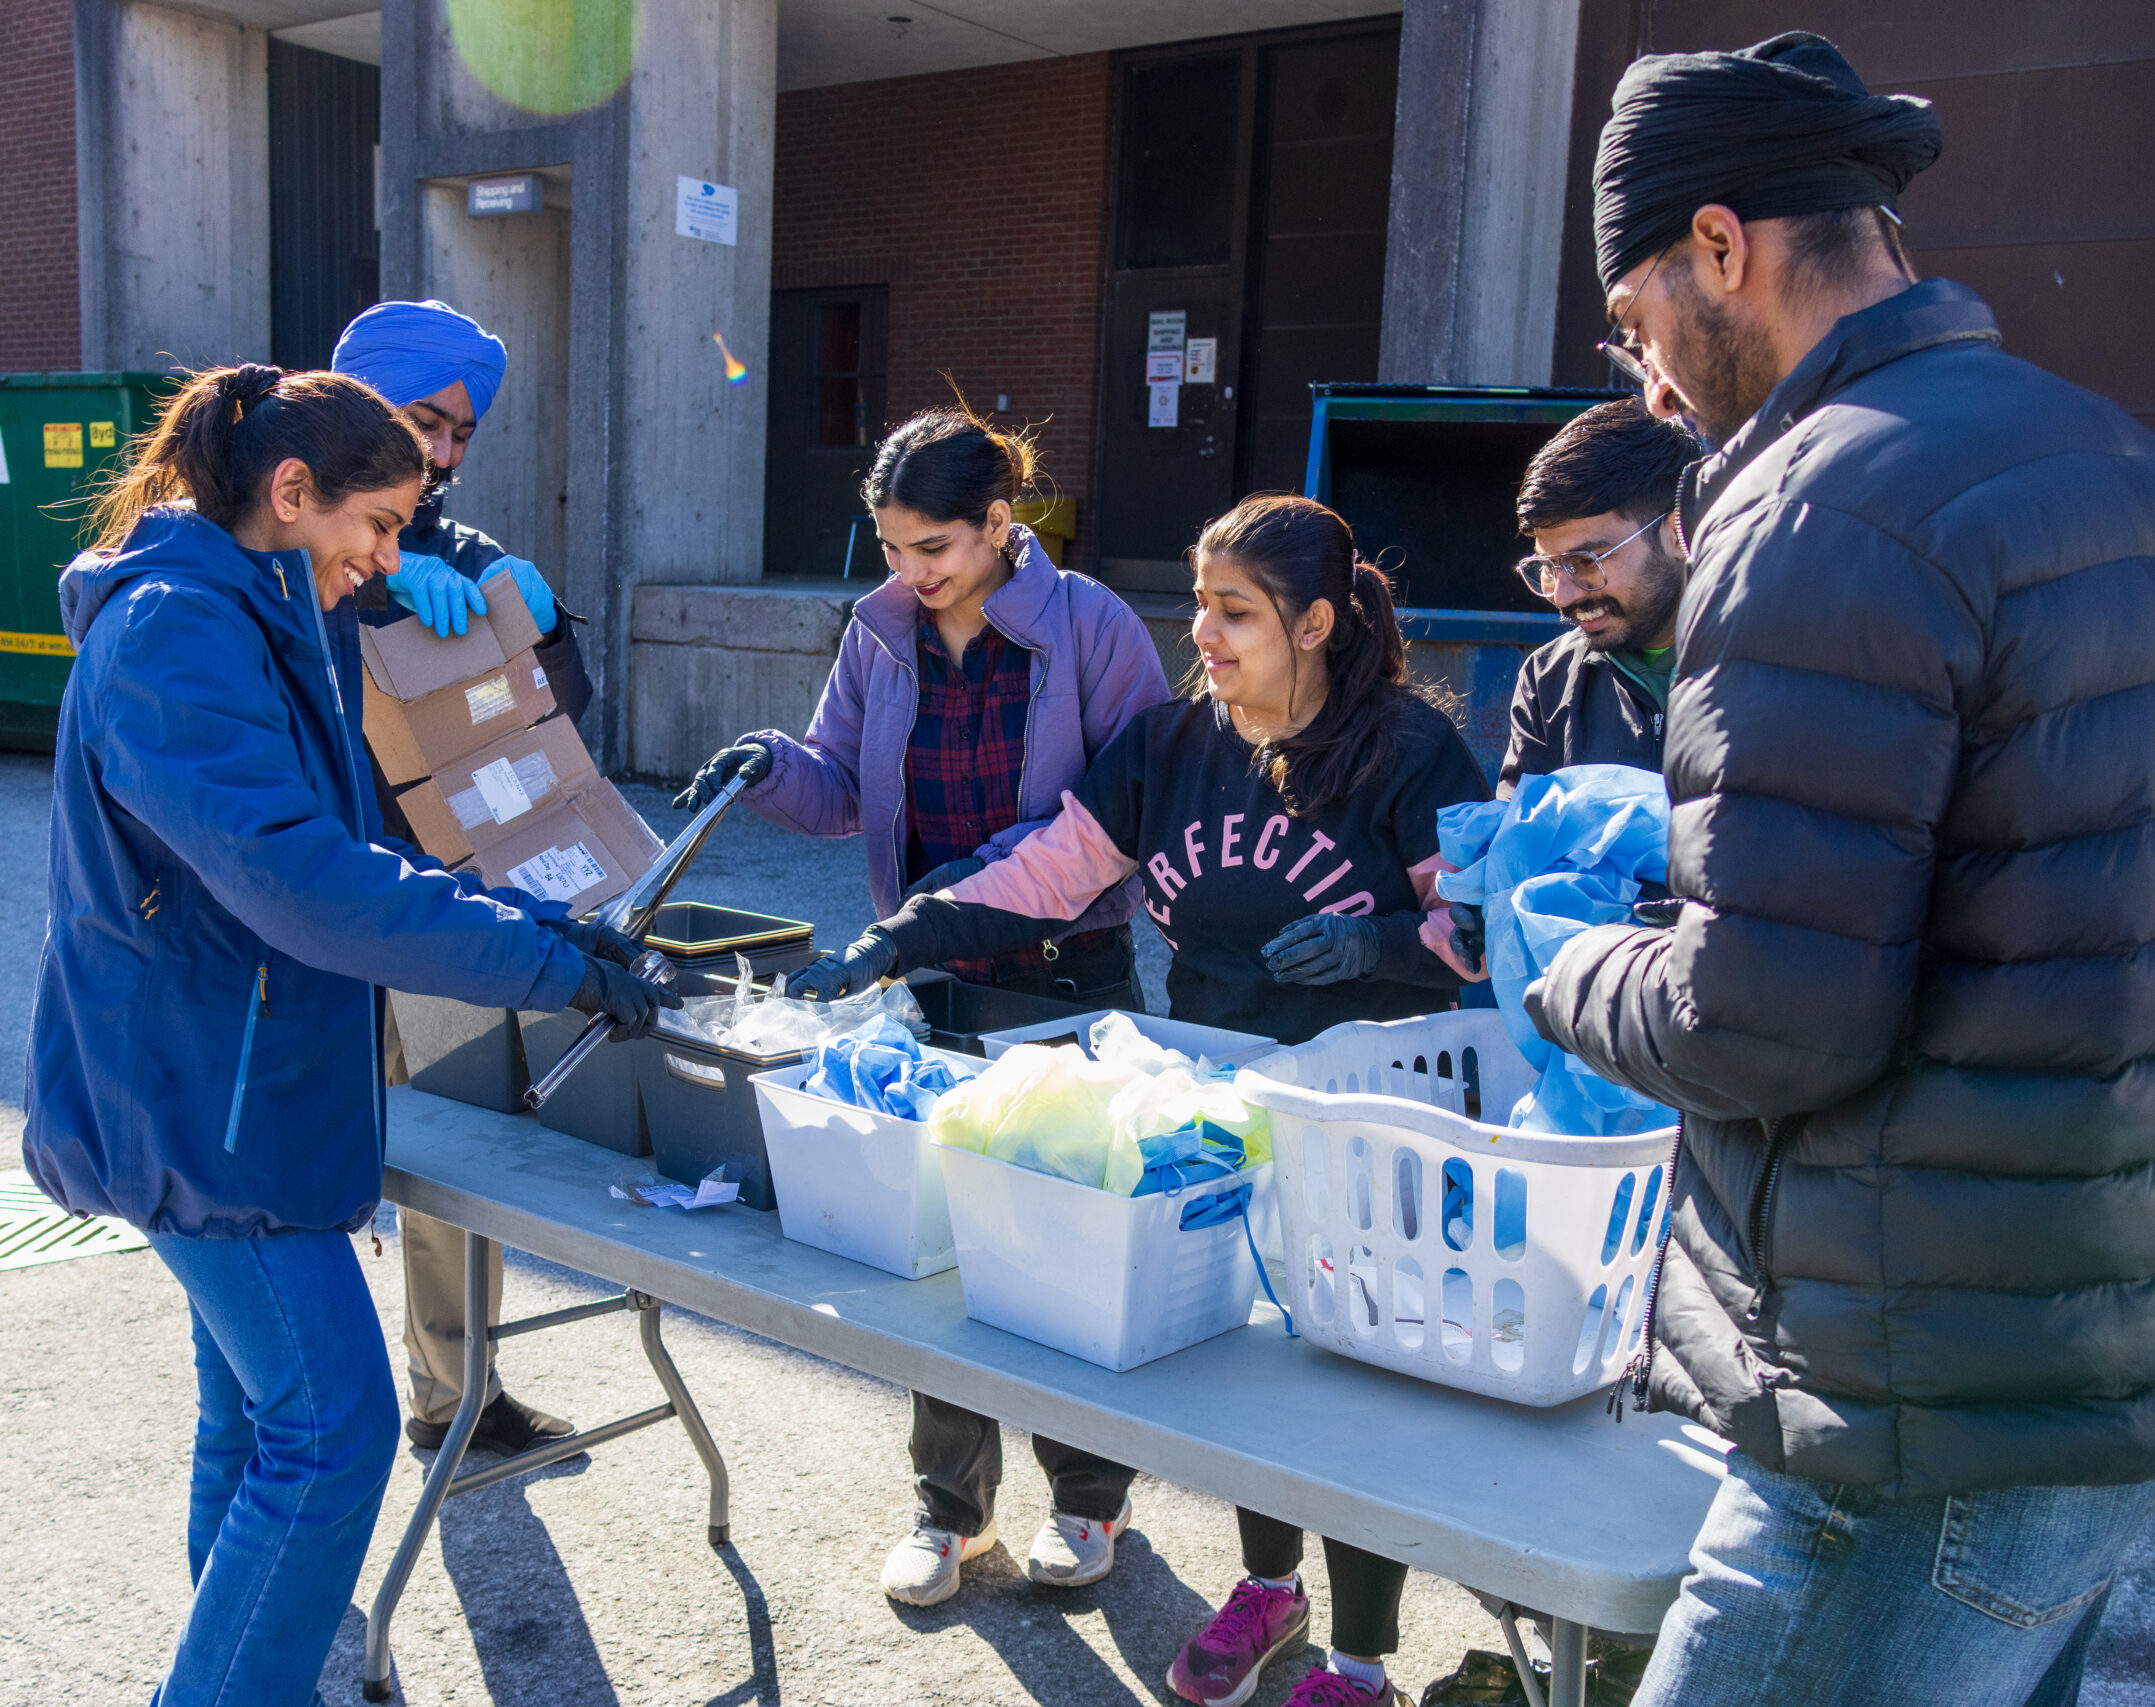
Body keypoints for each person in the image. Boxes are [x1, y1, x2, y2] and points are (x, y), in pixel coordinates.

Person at [1530, 32, 2155, 1707]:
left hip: (1920, 1401)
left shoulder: (1814, 508)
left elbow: (1764, 1022)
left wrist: (1567, 961)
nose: (1646, 378)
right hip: (2135, 1342)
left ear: (1721, 246)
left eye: (1639, 320)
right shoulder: (2132, 468)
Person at [22, 364, 678, 1707]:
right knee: (335, 1430)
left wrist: (535, 917)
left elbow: (360, 844)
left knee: (261, 1414)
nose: (389, 557)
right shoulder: (175, 631)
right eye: (378, 523)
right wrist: (544, 966)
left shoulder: (272, 604)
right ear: (289, 491)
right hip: (201, 1093)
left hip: (237, 1078)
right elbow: (301, 883)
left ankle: (263, 1664)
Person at [789, 493, 1489, 1707]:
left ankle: (1363, 1664)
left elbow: (1480, 933)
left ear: (1316, 622)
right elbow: (1051, 871)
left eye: (1235, 614)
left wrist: (1378, 945)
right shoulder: (1172, 747)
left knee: (1353, 1390)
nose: (1202, 636)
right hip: (1215, 1101)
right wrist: (896, 940)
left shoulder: (1410, 754)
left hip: (1368, 1121)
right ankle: (1269, 1588)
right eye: (1199, 607)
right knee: (1245, 1372)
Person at [675, 407, 1173, 1607]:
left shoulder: (1092, 625)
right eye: (891, 547)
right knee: (932, 1250)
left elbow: (1125, 813)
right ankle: (951, 1510)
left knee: (1064, 1248)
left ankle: (1088, 1501)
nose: (912, 572)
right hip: (927, 978)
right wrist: (763, 769)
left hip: (1064, 973)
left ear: (1001, 524)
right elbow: (840, 786)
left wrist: (973, 877)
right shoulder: (880, 629)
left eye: (934, 547)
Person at [331, 299, 592, 1459]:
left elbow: (555, 711)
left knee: (447, 1153)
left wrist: (538, 618)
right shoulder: (279, 548)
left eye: (459, 434)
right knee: (306, 1163)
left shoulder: (459, 545)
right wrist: (384, 600)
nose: (438, 453)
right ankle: (306, 1410)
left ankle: (456, 1394)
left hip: (438, 898)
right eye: (421, 420)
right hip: (314, 908)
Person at [1495, 398, 1701, 792]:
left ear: (1679, 532)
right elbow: (1520, 839)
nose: (1562, 594)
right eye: (1550, 566)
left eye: (1585, 562)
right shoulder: (1548, 679)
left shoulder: (1774, 665)